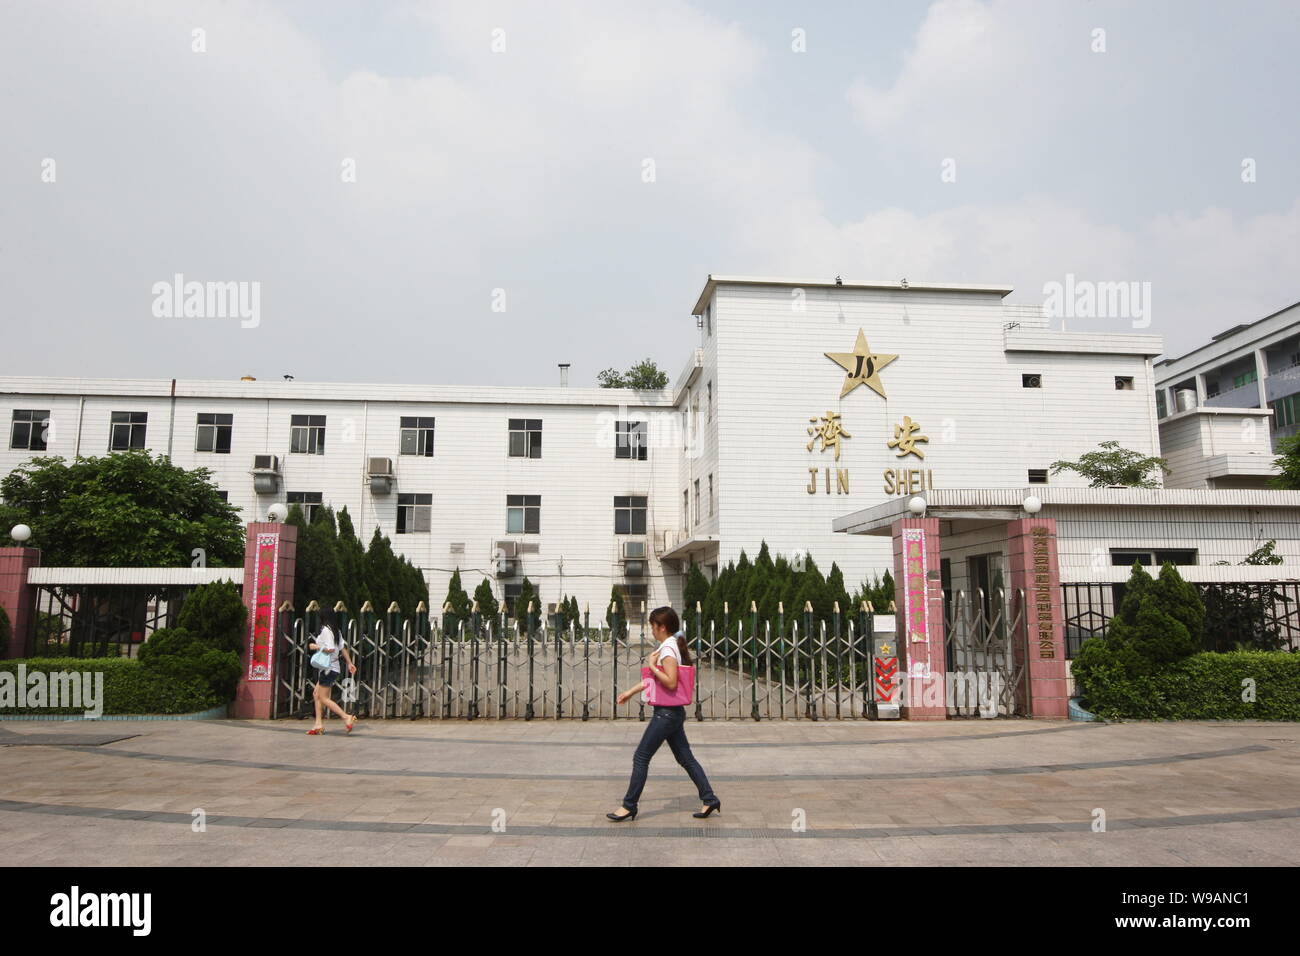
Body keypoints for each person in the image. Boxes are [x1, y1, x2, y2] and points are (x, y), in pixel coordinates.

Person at [607, 606, 720, 822]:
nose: (652, 630)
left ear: (662, 627)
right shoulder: (669, 645)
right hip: (672, 713)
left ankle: (629, 805)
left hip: (666, 714)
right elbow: (656, 679)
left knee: (641, 757)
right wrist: (630, 692)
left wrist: (651, 665)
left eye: (653, 626)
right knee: (686, 758)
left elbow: (670, 681)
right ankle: (709, 798)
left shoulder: (667, 650)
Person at [306, 609, 358, 734]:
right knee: (316, 694)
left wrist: (315, 646)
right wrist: (350, 663)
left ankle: (346, 717)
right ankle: (318, 724)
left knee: (323, 698)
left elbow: (330, 649)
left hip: (328, 669)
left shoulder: (326, 630)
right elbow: (342, 648)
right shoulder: (336, 631)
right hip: (332, 668)